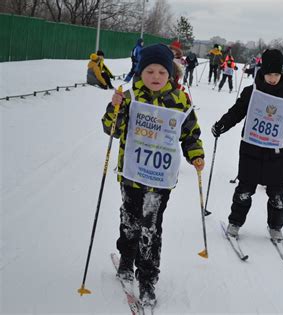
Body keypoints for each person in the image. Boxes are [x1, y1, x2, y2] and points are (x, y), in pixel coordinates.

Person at [101, 43, 205, 308]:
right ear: (140, 71)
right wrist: (115, 107)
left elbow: (190, 132)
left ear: (170, 73)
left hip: (160, 180)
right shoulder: (130, 96)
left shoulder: (180, 100)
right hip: (132, 174)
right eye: (149, 71)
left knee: (151, 228)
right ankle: (126, 260)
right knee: (130, 221)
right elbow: (111, 128)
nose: (156, 76)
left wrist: (196, 154)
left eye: (161, 71)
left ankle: (147, 278)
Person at [211, 49, 283, 241]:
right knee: (244, 190)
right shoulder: (252, 91)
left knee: (278, 193)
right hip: (251, 148)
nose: (272, 78)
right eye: (269, 74)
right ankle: (235, 222)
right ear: (262, 72)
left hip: (279, 152)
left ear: (282, 73)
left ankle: (275, 226)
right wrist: (223, 124)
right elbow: (237, 112)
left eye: (276, 74)